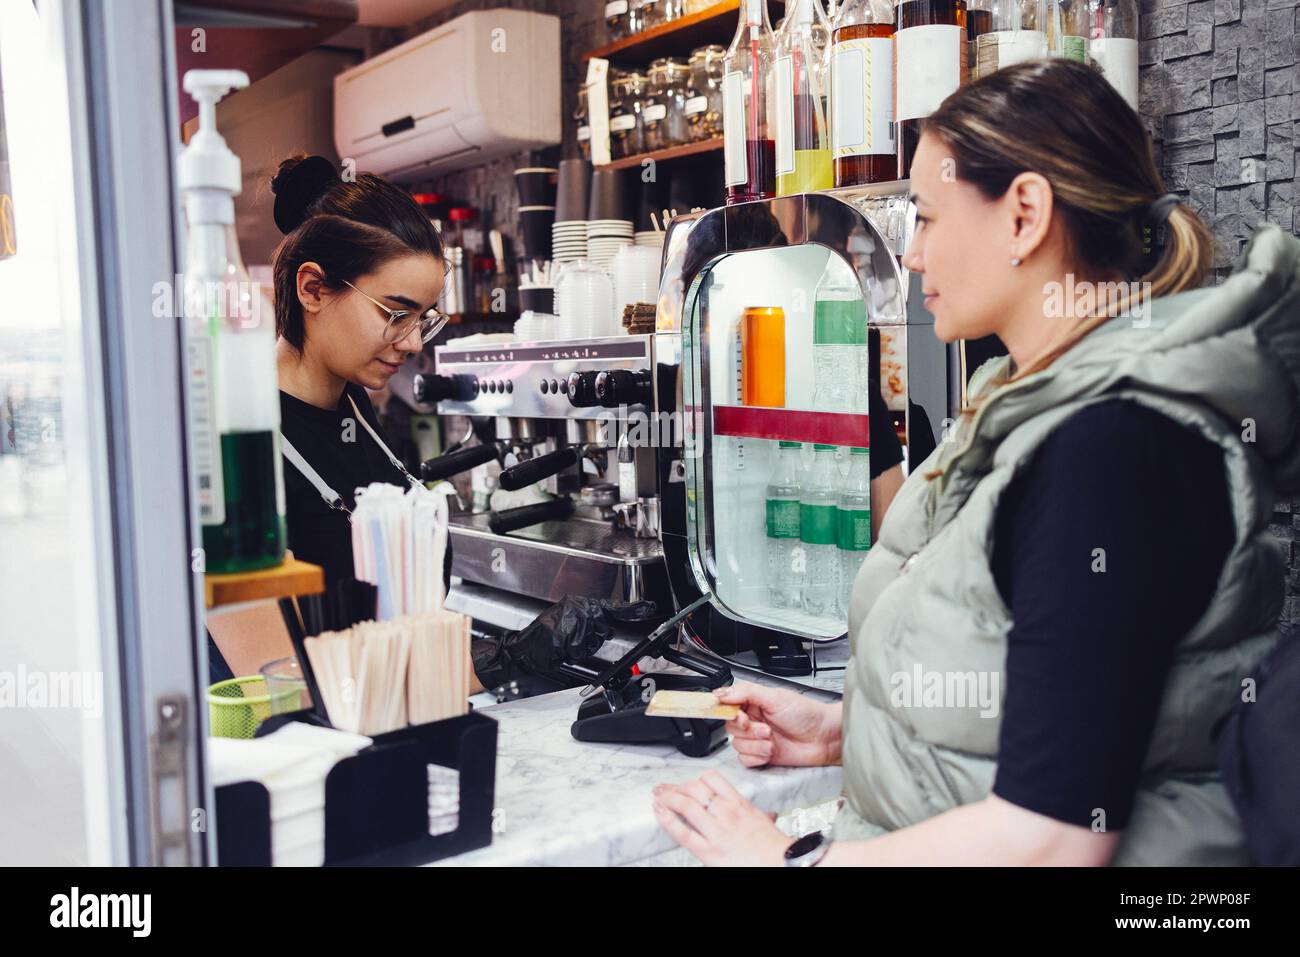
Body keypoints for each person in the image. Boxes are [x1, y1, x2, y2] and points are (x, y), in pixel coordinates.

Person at [652, 59, 1300, 866]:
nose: (913, 254)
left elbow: (1055, 837)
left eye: (925, 217)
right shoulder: (1017, 402)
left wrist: (787, 861)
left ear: (1024, 214)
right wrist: (846, 729)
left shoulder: (1114, 448)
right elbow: (1036, 694)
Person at [208, 155, 652, 691]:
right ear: (313, 289)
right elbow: (281, 681)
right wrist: (502, 660)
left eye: (425, 319)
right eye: (396, 313)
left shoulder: (350, 401)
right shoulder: (235, 447)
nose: (415, 343)